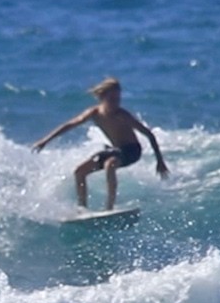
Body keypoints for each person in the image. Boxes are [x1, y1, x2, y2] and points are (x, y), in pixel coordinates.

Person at [31, 77, 168, 211]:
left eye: (118, 99)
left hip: (132, 151)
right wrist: (45, 140)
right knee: (80, 171)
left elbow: (149, 135)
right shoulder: (94, 113)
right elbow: (70, 125)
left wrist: (160, 161)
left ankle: (109, 207)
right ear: (102, 97)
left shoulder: (123, 115)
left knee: (110, 164)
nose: (116, 103)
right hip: (115, 150)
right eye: (112, 99)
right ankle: (82, 208)